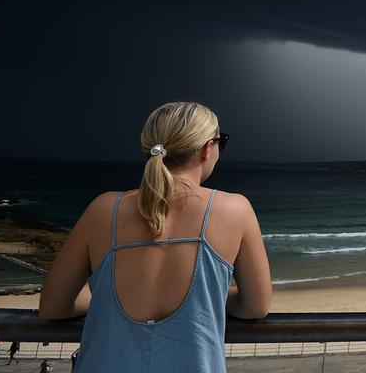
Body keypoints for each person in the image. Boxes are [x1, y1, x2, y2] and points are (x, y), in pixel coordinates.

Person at [38, 102, 271, 373]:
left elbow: (53, 306)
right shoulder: (234, 210)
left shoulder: (103, 210)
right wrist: (210, 297)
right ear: (207, 149)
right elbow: (255, 307)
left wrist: (105, 298)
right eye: (221, 142)